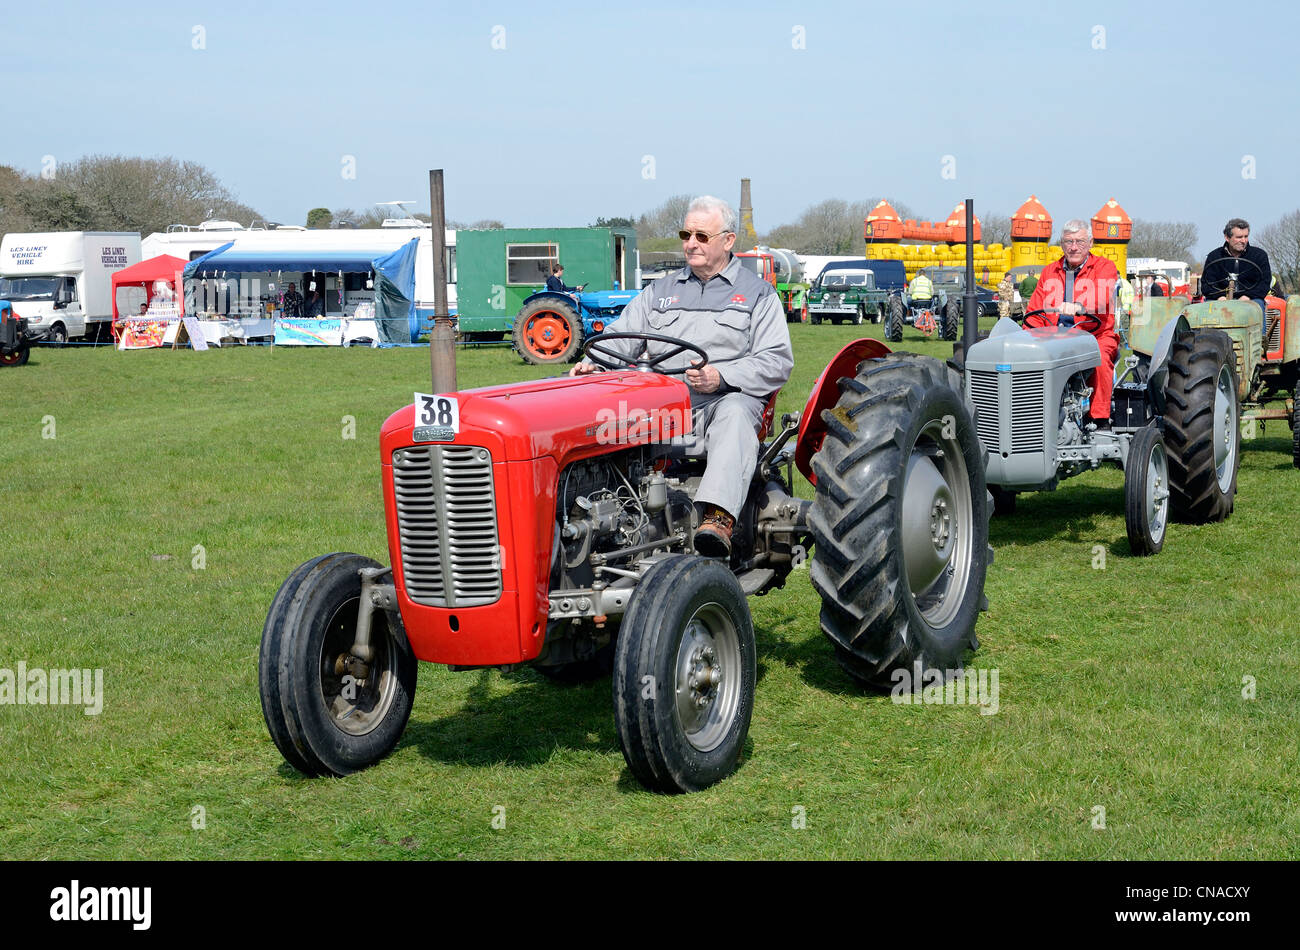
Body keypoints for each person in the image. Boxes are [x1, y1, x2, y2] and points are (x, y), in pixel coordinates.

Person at [570, 195, 793, 557]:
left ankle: (718, 519)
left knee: (735, 411)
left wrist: (721, 375)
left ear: (728, 240)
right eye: (686, 234)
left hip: (719, 404)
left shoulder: (758, 294)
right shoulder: (660, 291)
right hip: (661, 408)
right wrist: (596, 364)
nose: (691, 243)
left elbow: (778, 360)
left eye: (702, 236)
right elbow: (622, 340)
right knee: (596, 411)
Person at [1025, 219, 1121, 430]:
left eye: (1079, 241)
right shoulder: (1050, 271)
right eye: (1068, 242)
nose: (1074, 247)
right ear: (1062, 244)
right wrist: (1027, 337)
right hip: (1054, 338)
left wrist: (1078, 305)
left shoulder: (1104, 267)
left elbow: (1101, 298)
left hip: (1094, 334)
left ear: (1090, 243)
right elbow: (1034, 310)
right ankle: (1033, 416)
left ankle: (1099, 419)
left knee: (1101, 358)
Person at [1202, 218, 1271, 335]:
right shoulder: (1214, 257)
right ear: (1227, 237)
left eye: (1246, 236)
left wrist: (1247, 297)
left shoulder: (1259, 256)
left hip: (1250, 299)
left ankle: (1260, 345)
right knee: (1206, 309)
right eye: (1239, 237)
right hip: (1220, 299)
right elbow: (1207, 284)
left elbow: (1264, 284)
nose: (1243, 240)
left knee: (1257, 307)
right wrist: (1220, 298)